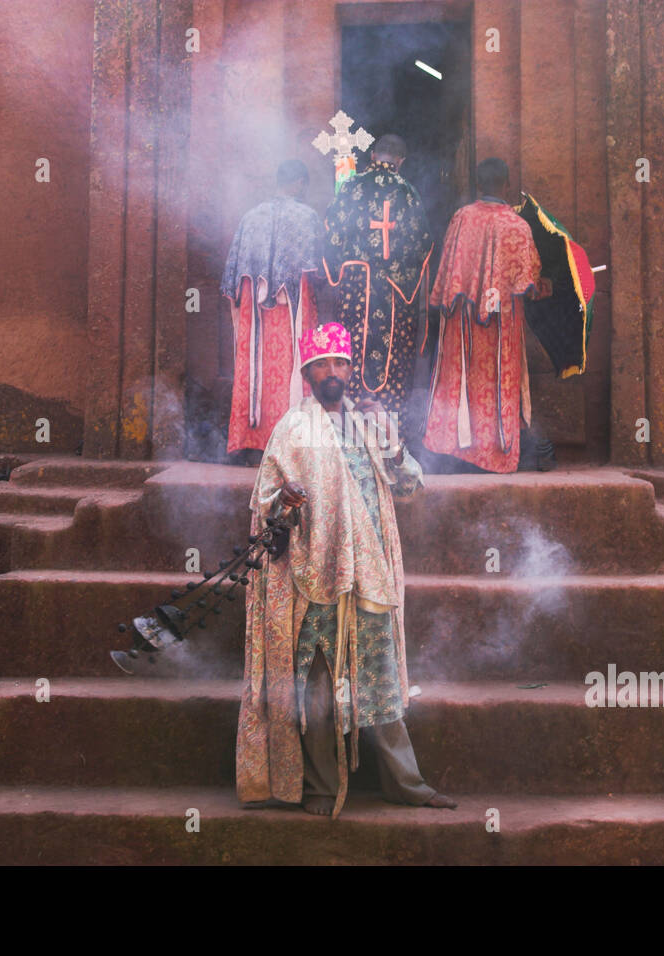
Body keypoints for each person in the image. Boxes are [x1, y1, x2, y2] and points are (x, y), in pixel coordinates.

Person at [235, 321, 457, 818]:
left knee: (381, 679)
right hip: (317, 576)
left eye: (340, 362)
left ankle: (408, 785)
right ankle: (319, 789)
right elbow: (267, 506)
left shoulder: (368, 423)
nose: (331, 372)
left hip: (371, 575)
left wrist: (392, 442)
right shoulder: (293, 428)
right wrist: (283, 501)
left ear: (349, 368)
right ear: (308, 371)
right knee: (316, 686)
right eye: (321, 364)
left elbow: (409, 486)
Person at [424, 158, 548, 473]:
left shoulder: (461, 218)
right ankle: (495, 452)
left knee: (460, 377)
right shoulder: (517, 225)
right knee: (497, 384)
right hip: (501, 325)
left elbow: (449, 269)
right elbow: (528, 283)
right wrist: (545, 286)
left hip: (462, 320)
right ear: (506, 184)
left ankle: (453, 450)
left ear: (479, 185)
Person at [322, 135, 434, 446]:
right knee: (394, 357)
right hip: (396, 292)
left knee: (354, 353)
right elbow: (423, 242)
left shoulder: (353, 186)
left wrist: (339, 272)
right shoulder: (407, 192)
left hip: (357, 287)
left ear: (373, 155)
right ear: (402, 160)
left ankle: (351, 432)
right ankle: (390, 436)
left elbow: (332, 229)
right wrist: (405, 276)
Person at [220, 159, 323, 459]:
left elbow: (231, 281)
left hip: (256, 317)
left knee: (257, 370)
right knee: (295, 365)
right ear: (301, 183)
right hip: (294, 309)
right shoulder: (308, 217)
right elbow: (321, 270)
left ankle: (253, 440)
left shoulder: (250, 218)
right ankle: (295, 443)